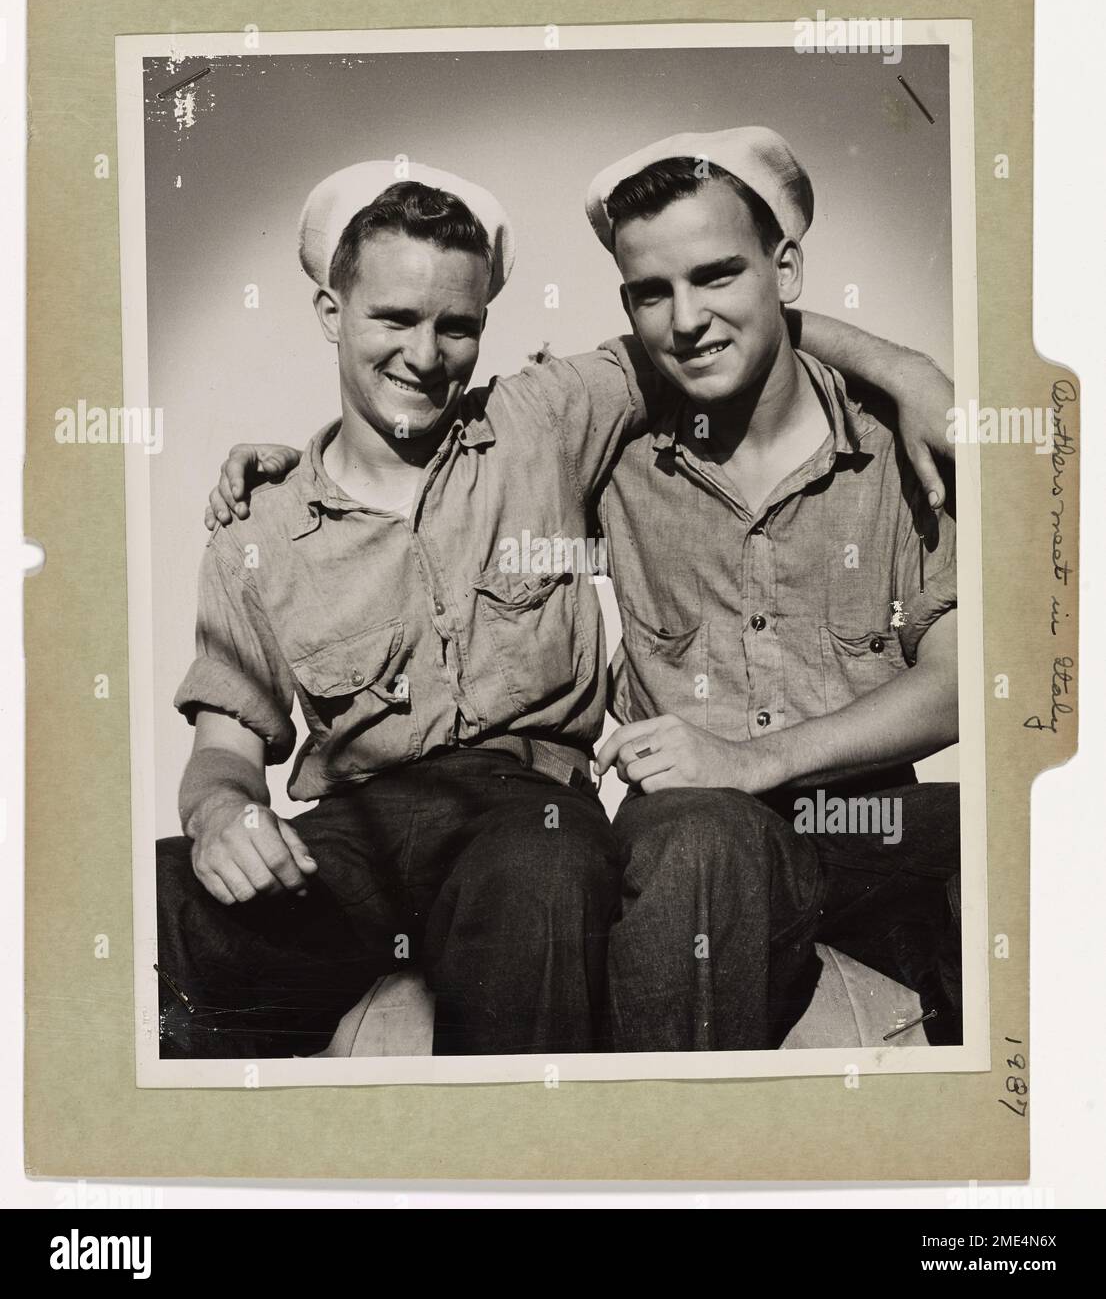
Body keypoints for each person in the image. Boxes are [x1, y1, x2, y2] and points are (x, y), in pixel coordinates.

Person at [193, 148, 956, 1059]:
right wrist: (219, 815)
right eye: (392, 317)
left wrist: (909, 370)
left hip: (775, 814)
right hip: (529, 823)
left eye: (456, 326)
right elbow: (226, 751)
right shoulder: (276, 521)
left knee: (1021, 868)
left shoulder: (894, 453)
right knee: (164, 900)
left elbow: (963, 684)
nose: (424, 354)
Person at [586, 128, 961, 1052]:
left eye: (717, 275)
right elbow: (438, 443)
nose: (685, 319)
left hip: (864, 815)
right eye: (651, 292)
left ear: (785, 270)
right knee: (703, 844)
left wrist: (758, 760)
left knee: (1024, 839)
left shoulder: (898, 450)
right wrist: (287, 466)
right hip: (694, 839)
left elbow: (961, 684)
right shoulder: (607, 446)